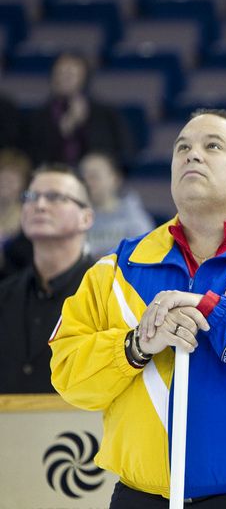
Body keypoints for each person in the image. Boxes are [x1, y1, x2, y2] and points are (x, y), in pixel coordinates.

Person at [49, 109, 226, 508]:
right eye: (181, 147)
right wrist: (134, 347)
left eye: (212, 146)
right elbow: (68, 376)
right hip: (139, 496)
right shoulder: (118, 269)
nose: (192, 155)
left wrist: (213, 310)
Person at [0, 164, 94, 393]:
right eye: (31, 196)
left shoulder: (109, 290)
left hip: (81, 426)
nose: (39, 205)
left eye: (55, 197)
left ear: (86, 218)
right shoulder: (5, 294)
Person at [22, 52, 134, 167]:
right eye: (60, 73)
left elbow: (123, 152)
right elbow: (32, 158)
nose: (63, 79)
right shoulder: (37, 117)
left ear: (84, 77)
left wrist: (82, 127)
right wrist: (63, 132)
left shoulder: (106, 113)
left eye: (70, 74)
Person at [78, 151, 155, 257]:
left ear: (114, 179)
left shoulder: (135, 217)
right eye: (83, 178)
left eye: (94, 176)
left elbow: (146, 254)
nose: (87, 182)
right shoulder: (75, 216)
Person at [0, 148, 33, 279]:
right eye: (2, 176)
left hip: (15, 287)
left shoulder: (31, 217)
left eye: (12, 179)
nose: (5, 183)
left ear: (23, 184)